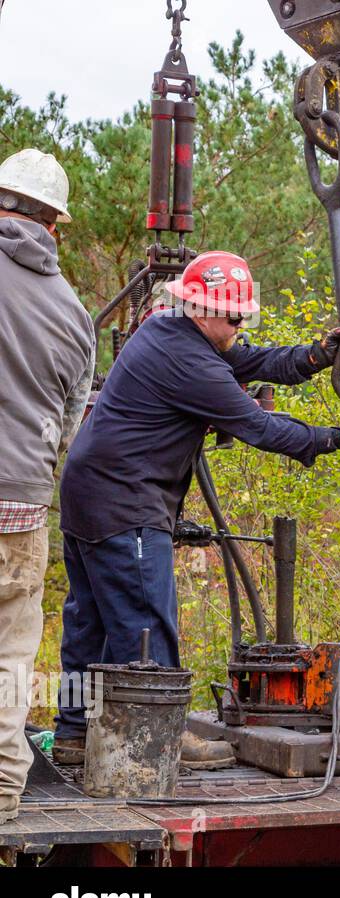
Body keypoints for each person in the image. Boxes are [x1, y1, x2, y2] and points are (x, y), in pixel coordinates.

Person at [51, 250, 340, 766]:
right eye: (233, 317)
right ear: (202, 309)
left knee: (89, 623)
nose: (238, 327)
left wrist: (315, 355)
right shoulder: (187, 359)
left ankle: (74, 735)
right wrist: (337, 438)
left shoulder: (170, 329)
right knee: (145, 625)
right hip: (125, 505)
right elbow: (259, 426)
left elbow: (252, 360)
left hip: (89, 493)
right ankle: (158, 736)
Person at [0, 148, 95, 824]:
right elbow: (67, 426)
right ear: (53, 226)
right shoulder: (73, 314)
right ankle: (4, 794)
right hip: (22, 509)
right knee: (10, 662)